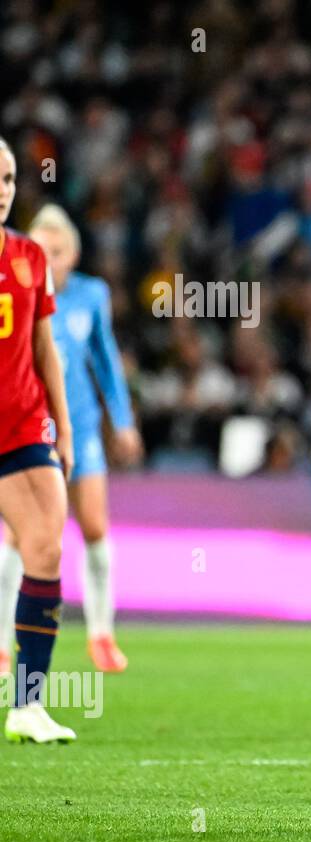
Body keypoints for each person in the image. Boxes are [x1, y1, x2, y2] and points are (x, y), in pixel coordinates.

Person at [0, 204, 141, 677]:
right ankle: (3, 643)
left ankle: (101, 634)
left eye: (57, 251)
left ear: (74, 255)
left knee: (95, 527)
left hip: (80, 427)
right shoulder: (15, 290)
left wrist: (121, 421)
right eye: (41, 249)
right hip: (26, 429)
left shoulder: (91, 296)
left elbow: (106, 362)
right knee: (23, 536)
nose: (49, 259)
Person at [0, 138, 77, 743]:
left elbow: (44, 348)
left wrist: (65, 426)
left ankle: (27, 703)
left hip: (23, 426)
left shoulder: (29, 257)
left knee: (46, 551)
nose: (2, 190)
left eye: (7, 179)